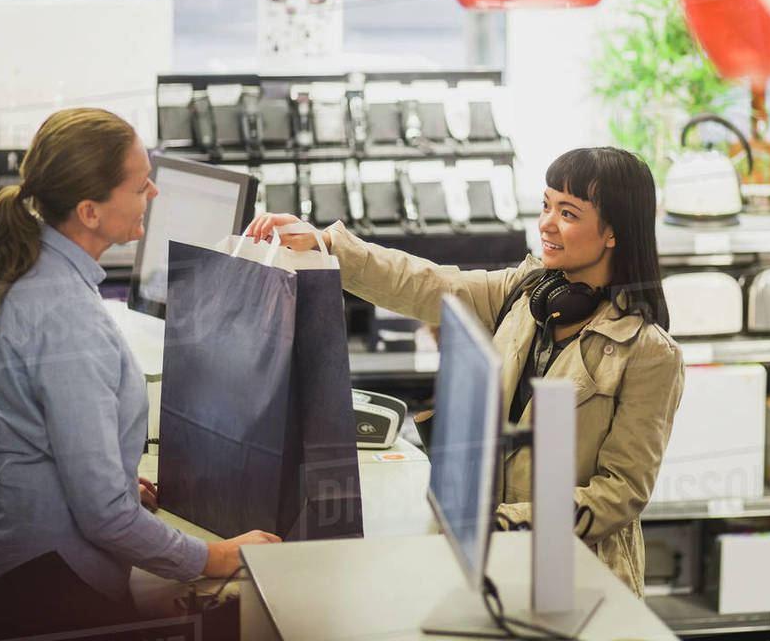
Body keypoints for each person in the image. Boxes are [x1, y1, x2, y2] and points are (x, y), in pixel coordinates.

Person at [247, 146, 684, 597]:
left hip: (577, 578)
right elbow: (431, 283)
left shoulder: (649, 354)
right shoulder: (526, 292)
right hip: (487, 559)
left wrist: (505, 522)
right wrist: (332, 245)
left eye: (568, 212)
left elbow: (620, 494)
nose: (547, 223)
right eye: (546, 205)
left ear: (613, 231)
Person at [0, 108, 280, 639]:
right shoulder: (67, 317)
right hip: (39, 589)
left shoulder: (36, 273)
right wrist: (216, 557)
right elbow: (103, 517)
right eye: (138, 185)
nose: (153, 193)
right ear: (89, 211)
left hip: (16, 568)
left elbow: (37, 432)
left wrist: (116, 477)